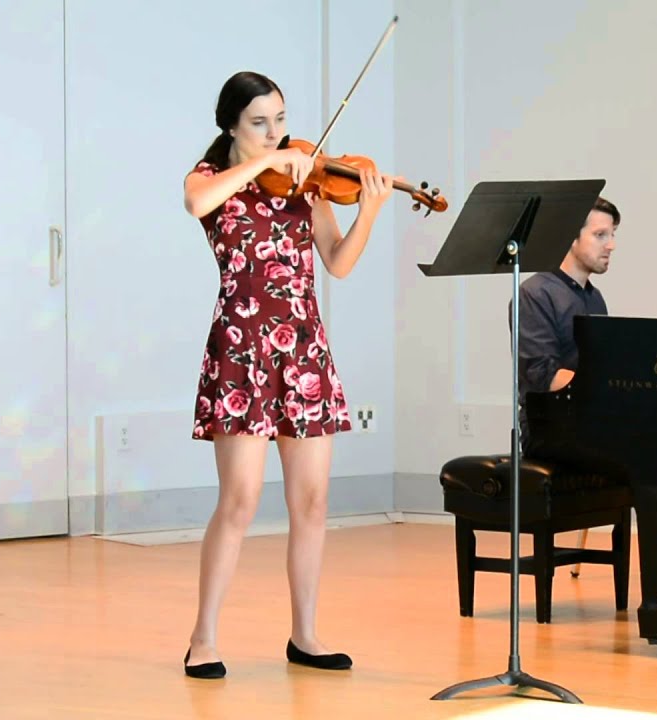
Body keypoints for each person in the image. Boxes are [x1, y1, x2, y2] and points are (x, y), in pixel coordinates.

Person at [180, 71, 399, 679]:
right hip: (242, 350)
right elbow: (198, 202)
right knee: (240, 500)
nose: (278, 132)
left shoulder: (309, 182)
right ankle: (203, 638)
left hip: (302, 347)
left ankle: (305, 635)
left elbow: (338, 263)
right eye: (261, 123)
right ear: (231, 125)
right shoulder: (210, 179)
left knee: (312, 500)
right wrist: (269, 162)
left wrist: (371, 210)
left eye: (281, 118)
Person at [509, 197, 657, 627]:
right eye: (601, 234)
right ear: (571, 237)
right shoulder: (534, 293)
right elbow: (541, 375)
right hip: (551, 431)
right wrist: (608, 390)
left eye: (612, 235)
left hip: (591, 424)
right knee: (653, 462)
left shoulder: (593, 297)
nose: (611, 245)